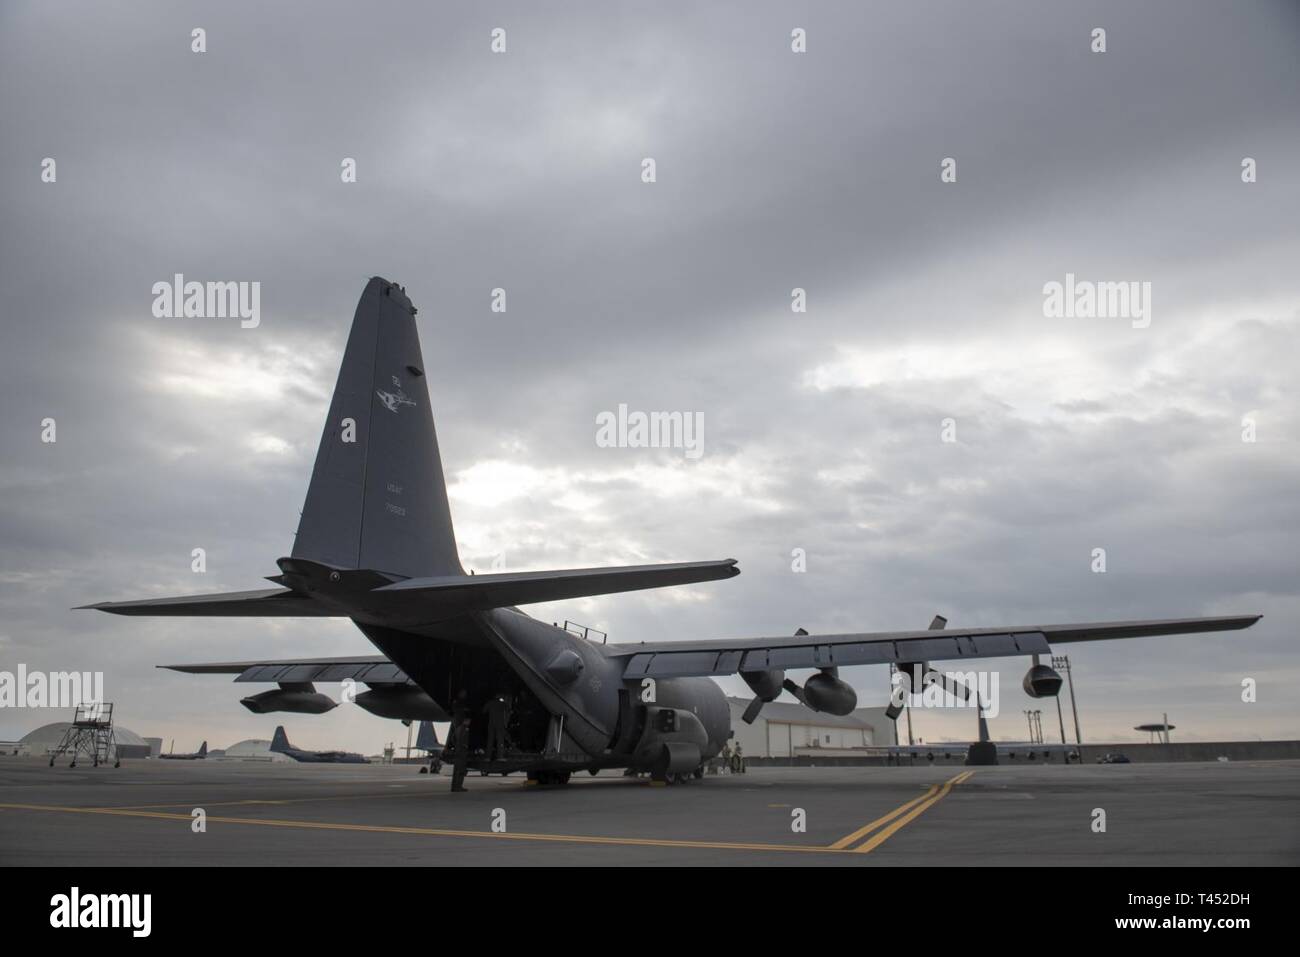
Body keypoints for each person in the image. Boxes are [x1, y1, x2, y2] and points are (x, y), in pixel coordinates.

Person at [447, 692, 472, 792]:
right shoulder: (463, 728)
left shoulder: (457, 728)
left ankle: (455, 786)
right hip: (461, 752)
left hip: (459, 751)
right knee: (460, 770)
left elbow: (453, 739)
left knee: (457, 770)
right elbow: (461, 740)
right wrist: (464, 747)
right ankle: (457, 787)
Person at [482, 691, 511, 761]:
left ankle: (487, 757)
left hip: (491, 724)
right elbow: (508, 709)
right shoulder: (502, 703)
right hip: (499, 724)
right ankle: (500, 756)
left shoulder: (490, 703)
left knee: (490, 740)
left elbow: (483, 711)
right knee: (500, 740)